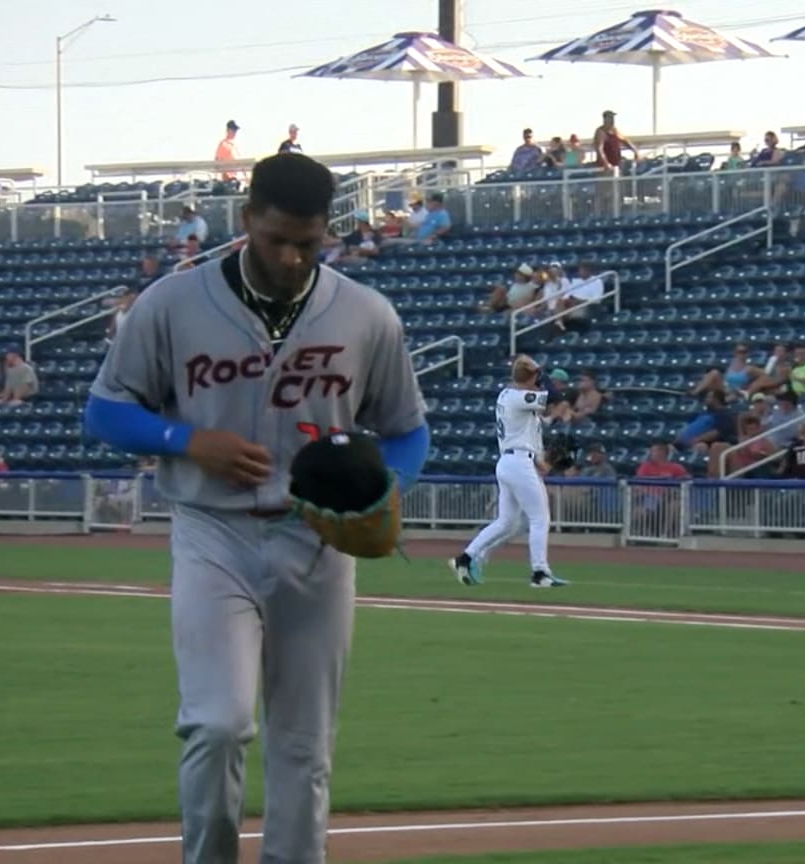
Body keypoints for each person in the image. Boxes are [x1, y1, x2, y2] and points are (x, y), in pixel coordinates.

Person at [81, 152, 432, 864]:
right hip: (213, 534)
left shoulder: (366, 313)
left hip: (316, 546)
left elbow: (407, 429)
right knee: (217, 723)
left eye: (309, 242)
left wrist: (384, 489)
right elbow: (105, 410)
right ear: (247, 220)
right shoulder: (171, 304)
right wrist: (183, 439)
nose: (294, 256)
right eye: (277, 239)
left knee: (305, 747)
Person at [451, 355, 566, 589]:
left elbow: (536, 424)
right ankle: (540, 573)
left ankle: (465, 558)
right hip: (517, 463)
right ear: (531, 377)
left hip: (511, 461)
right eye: (536, 377)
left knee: (507, 522)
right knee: (539, 518)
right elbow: (554, 397)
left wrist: (545, 462)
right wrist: (540, 374)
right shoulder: (517, 397)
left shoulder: (508, 396)